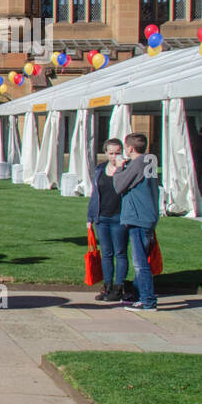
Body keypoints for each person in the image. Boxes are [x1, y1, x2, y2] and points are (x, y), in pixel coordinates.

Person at [114, 132, 160, 311]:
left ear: (130, 148)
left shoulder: (137, 163)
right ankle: (137, 294)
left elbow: (119, 186)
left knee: (140, 263)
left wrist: (119, 168)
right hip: (148, 216)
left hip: (138, 217)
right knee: (142, 260)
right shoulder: (150, 160)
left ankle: (148, 300)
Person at [86, 138, 132, 304]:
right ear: (105, 153)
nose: (114, 156)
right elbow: (95, 194)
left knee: (120, 252)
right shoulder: (100, 169)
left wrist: (121, 168)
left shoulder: (127, 169)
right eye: (111, 153)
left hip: (119, 217)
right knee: (106, 253)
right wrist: (90, 216)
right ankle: (107, 285)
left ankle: (119, 287)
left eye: (118, 153)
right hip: (102, 217)